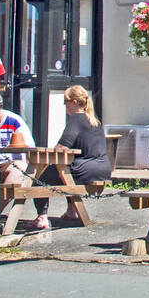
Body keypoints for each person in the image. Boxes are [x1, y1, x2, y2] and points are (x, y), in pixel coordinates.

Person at [36, 85, 112, 228]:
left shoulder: (76, 119)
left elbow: (62, 147)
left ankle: (42, 217)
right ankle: (71, 211)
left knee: (40, 177)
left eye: (66, 102)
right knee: (65, 172)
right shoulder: (94, 120)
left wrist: (46, 155)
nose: (65, 106)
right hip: (103, 169)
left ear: (74, 102)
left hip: (85, 169)